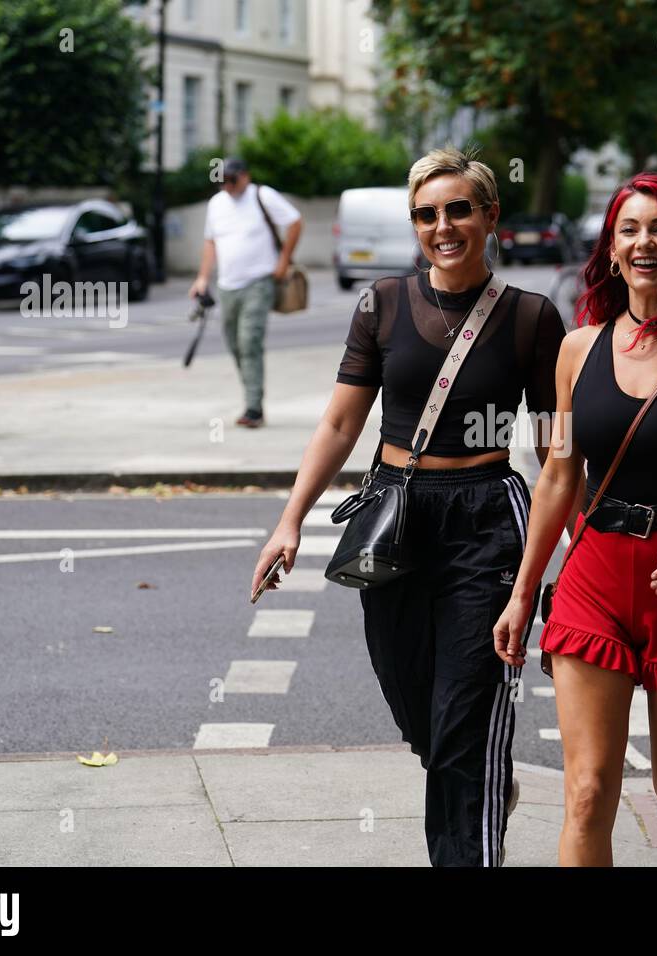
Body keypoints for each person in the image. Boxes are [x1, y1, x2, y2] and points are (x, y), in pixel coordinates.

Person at [250, 145, 580, 866]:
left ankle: (472, 819)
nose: (443, 226)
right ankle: (482, 784)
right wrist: (289, 520)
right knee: (418, 708)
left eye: (459, 209)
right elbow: (341, 423)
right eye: (426, 215)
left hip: (487, 521)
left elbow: (559, 452)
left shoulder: (530, 318)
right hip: (392, 518)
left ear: (490, 216)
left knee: (464, 724)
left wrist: (572, 556)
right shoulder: (384, 304)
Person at [492, 172, 657, 867]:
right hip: (595, 575)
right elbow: (558, 475)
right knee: (586, 794)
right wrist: (524, 592)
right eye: (629, 229)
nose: (645, 242)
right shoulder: (578, 350)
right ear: (611, 250)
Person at [190, 156, 302, 428]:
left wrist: (284, 260)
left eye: (231, 180)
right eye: (222, 182)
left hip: (259, 282)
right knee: (233, 343)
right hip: (227, 285)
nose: (227, 187)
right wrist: (202, 278)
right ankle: (251, 394)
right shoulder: (216, 204)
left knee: (249, 341)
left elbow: (295, 222)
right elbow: (210, 242)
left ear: (245, 176)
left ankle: (254, 407)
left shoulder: (262, 195)